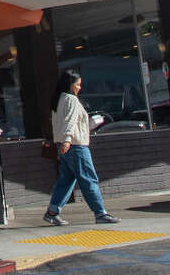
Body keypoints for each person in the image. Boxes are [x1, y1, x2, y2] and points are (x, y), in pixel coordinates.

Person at [43, 70, 120, 226]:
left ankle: (52, 212)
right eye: (78, 85)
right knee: (88, 178)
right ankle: (100, 213)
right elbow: (70, 121)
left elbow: (61, 123)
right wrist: (68, 139)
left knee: (66, 180)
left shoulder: (58, 99)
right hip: (76, 145)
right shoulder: (71, 99)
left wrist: (64, 141)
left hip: (64, 144)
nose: (80, 88)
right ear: (70, 84)